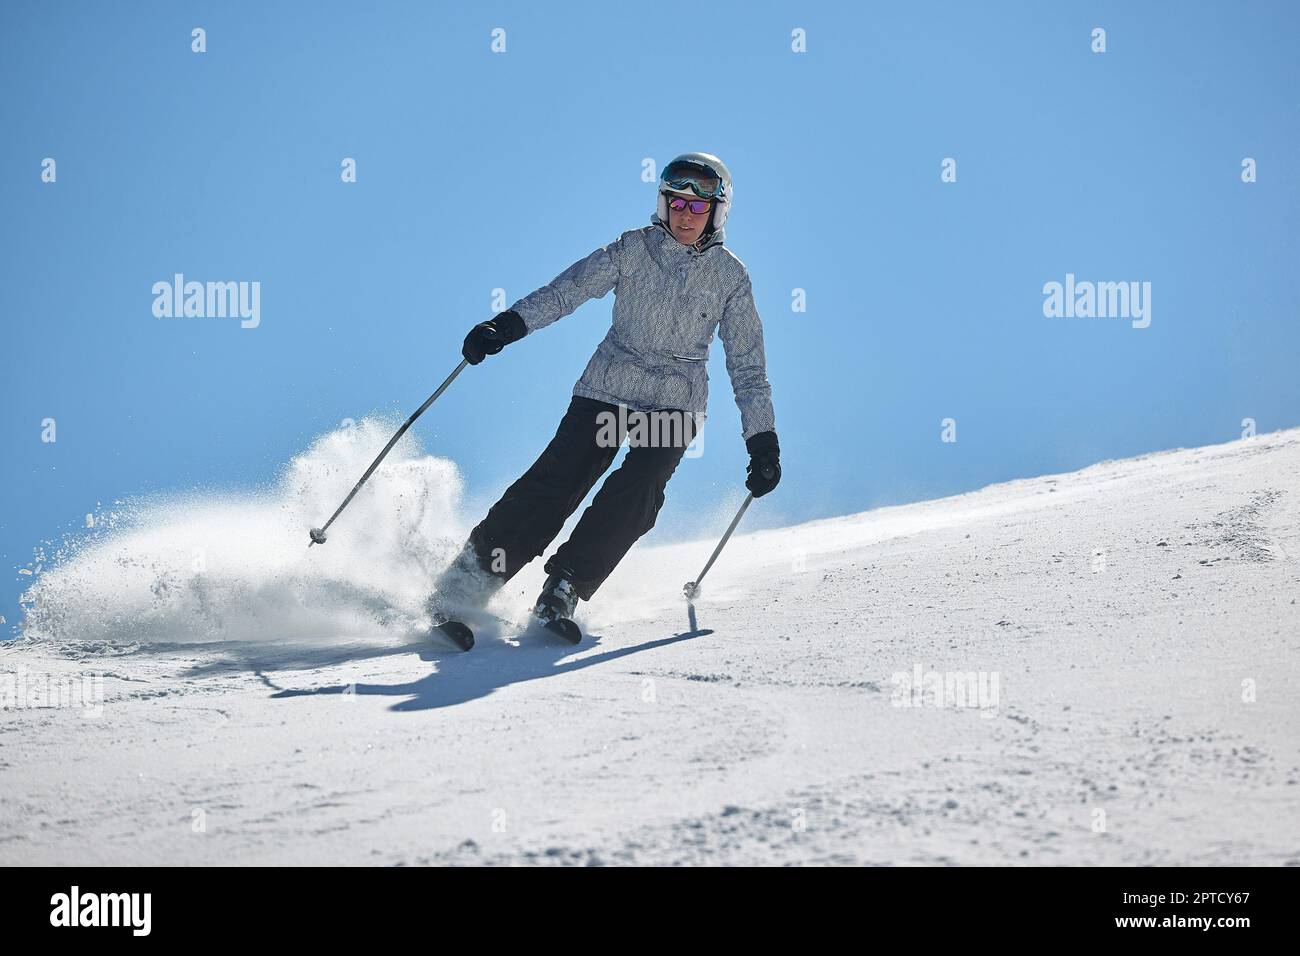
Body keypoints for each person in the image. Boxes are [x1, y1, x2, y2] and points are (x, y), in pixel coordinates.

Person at [428, 152, 781, 643]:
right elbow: (567, 291)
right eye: (676, 203)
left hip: (675, 402)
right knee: (558, 481)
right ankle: (464, 585)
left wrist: (762, 442)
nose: (684, 215)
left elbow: (747, 365)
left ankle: (565, 586)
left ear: (717, 214)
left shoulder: (730, 278)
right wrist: (505, 326)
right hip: (609, 389)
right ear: (663, 205)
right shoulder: (634, 249)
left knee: (642, 487)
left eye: (697, 209)